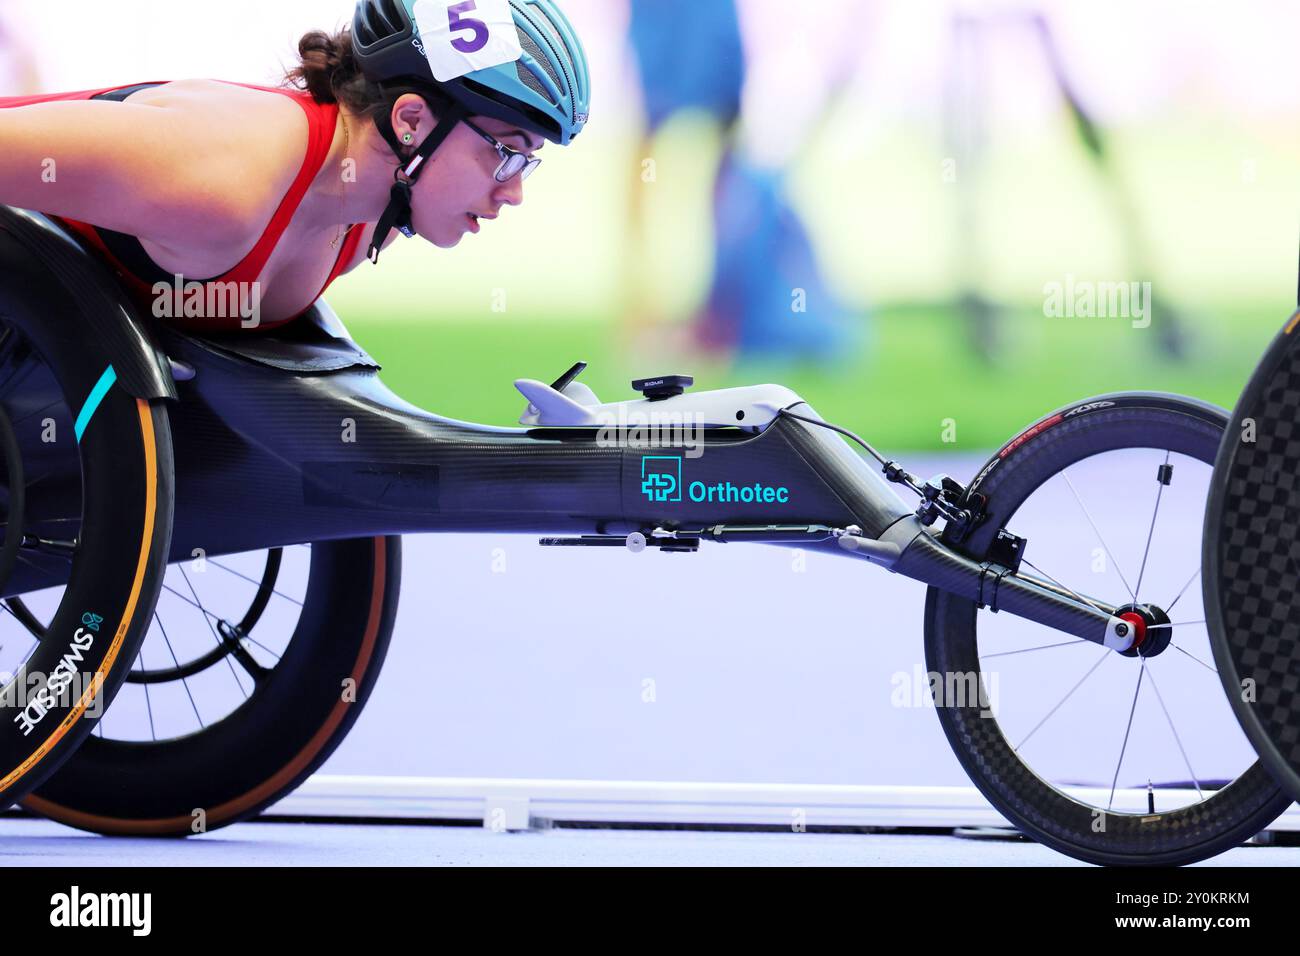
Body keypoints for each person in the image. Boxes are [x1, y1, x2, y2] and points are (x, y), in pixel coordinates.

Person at [0, 0, 590, 332]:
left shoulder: (362, 220)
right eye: (507, 153)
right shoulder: (227, 181)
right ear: (411, 122)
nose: (512, 194)